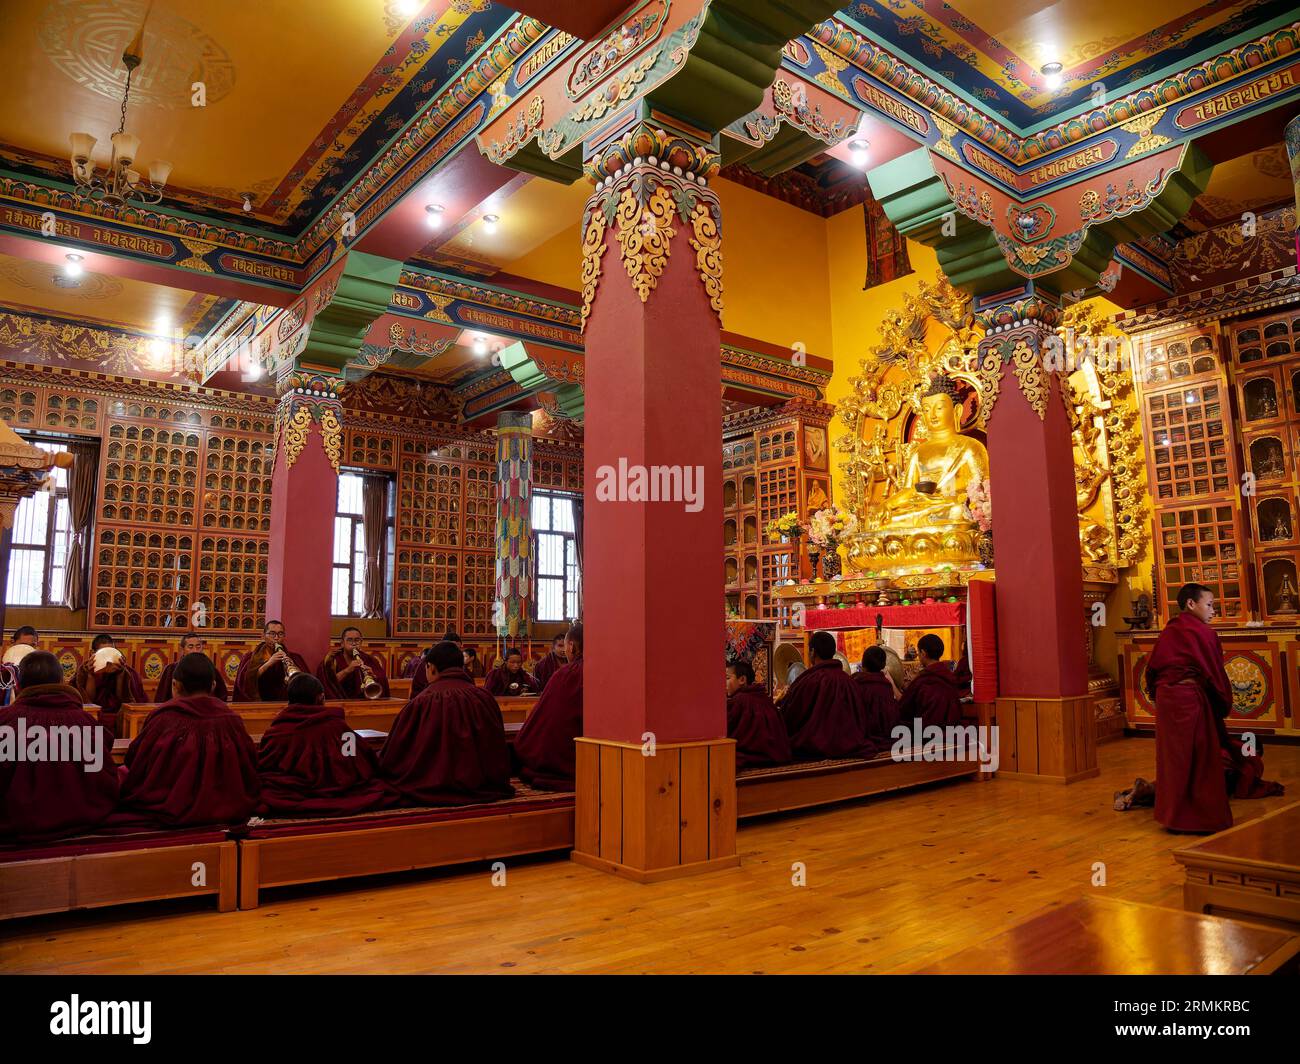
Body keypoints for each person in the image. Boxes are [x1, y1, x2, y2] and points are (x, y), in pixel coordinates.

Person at [1115, 584, 1284, 831]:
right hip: (1189, 700)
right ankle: (1199, 818)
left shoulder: (1169, 631)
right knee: (1200, 757)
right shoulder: (1204, 633)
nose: (1213, 611)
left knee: (1173, 758)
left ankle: (1171, 816)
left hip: (1166, 700)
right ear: (1191, 604)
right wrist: (1220, 701)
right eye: (1210, 605)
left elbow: (1153, 670)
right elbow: (1215, 673)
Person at [118, 653, 259, 827]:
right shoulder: (232, 720)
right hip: (229, 808)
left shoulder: (164, 719)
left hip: (171, 807)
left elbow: (136, 760)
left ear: (175, 685)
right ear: (213, 685)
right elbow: (249, 764)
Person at [0, 651, 118, 841]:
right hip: (83, 819)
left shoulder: (4, 720)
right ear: (61, 681)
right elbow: (105, 772)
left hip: (15, 823)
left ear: (18, 684)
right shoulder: (85, 721)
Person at [380, 641, 513, 806]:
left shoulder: (423, 701)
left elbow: (397, 750)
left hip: (431, 785)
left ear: (431, 667)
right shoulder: (484, 697)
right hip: (483, 783)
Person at [256, 673, 394, 816]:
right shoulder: (337, 727)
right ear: (320, 698)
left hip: (287, 792)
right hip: (338, 791)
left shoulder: (277, 731)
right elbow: (356, 760)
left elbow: (265, 765)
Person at [776, 631, 875, 759]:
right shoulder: (849, 681)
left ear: (813, 652)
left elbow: (791, 715)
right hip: (850, 743)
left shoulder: (808, 681)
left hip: (813, 747)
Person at [513, 623, 583, 790]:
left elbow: (543, 719)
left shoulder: (566, 675)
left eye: (565, 646)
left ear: (571, 647)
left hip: (569, 758)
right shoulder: (607, 669)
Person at [725, 660, 792, 769]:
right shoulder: (765, 699)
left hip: (755, 757)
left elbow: (727, 731)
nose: (724, 682)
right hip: (775, 755)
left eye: (727, 678)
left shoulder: (739, 700)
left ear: (742, 680)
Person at [72, 634, 145, 731]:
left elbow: (123, 699)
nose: (108, 660)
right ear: (92, 653)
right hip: (93, 715)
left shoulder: (126, 672)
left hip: (119, 715)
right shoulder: (84, 671)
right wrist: (91, 675)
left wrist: (120, 674)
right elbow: (88, 702)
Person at [896, 634, 967, 729]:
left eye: (919, 652)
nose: (919, 656)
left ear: (923, 653)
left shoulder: (922, 680)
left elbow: (904, 707)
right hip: (951, 731)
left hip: (925, 732)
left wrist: (893, 684)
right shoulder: (950, 677)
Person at [233, 620, 309, 702]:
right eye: (272, 634)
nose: (276, 638)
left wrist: (293, 666)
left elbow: (307, 683)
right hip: (258, 704)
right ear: (263, 636)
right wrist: (268, 663)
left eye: (280, 634)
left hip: (285, 703)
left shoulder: (294, 658)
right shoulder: (249, 657)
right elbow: (244, 682)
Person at [317, 626, 390, 700]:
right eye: (349, 640)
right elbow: (327, 684)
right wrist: (347, 670)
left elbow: (383, 681)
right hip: (340, 702)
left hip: (364, 701)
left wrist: (374, 677)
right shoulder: (332, 660)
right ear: (342, 643)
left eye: (357, 640)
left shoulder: (369, 659)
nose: (354, 643)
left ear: (361, 642)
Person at [154, 631, 228, 702]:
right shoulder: (171, 669)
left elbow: (222, 696)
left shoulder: (211, 669)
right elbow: (161, 698)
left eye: (198, 647)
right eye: (190, 647)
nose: (195, 650)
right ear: (182, 650)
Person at [853, 645, 900, 745]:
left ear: (863, 664)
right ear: (883, 665)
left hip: (862, 737)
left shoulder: (856, 683)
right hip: (886, 737)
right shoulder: (886, 685)